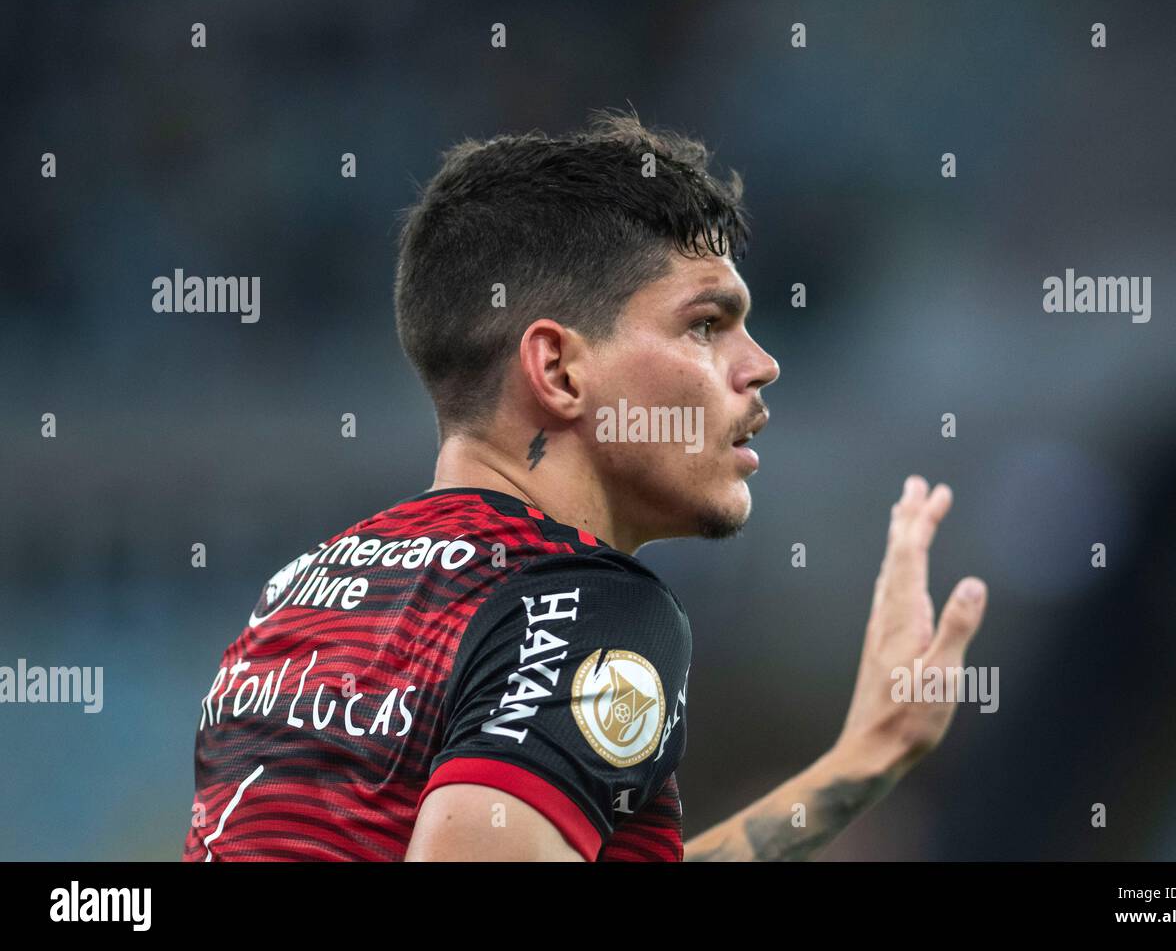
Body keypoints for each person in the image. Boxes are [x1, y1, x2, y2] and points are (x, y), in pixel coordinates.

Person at [182, 110, 987, 862]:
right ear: (560, 370)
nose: (761, 365)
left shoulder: (298, 595)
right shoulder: (587, 605)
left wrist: (862, 760)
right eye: (706, 323)